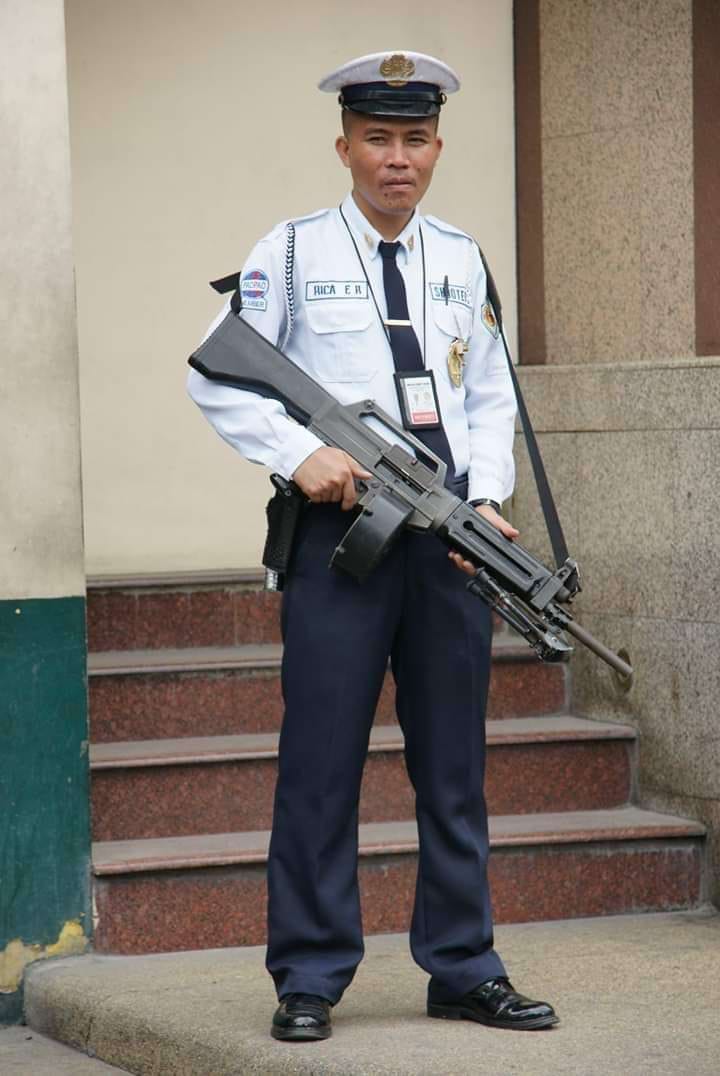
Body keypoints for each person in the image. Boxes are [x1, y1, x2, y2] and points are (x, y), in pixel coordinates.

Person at [187, 49, 558, 1040]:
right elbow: (218, 375)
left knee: (454, 764)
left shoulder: (461, 257)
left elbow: (485, 397)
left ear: (438, 147)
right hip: (339, 535)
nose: (399, 158)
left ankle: (464, 963)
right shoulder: (294, 252)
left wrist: (484, 502)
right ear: (345, 145)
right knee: (320, 760)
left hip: (446, 536)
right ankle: (309, 971)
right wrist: (300, 452)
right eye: (380, 139)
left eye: (417, 139)